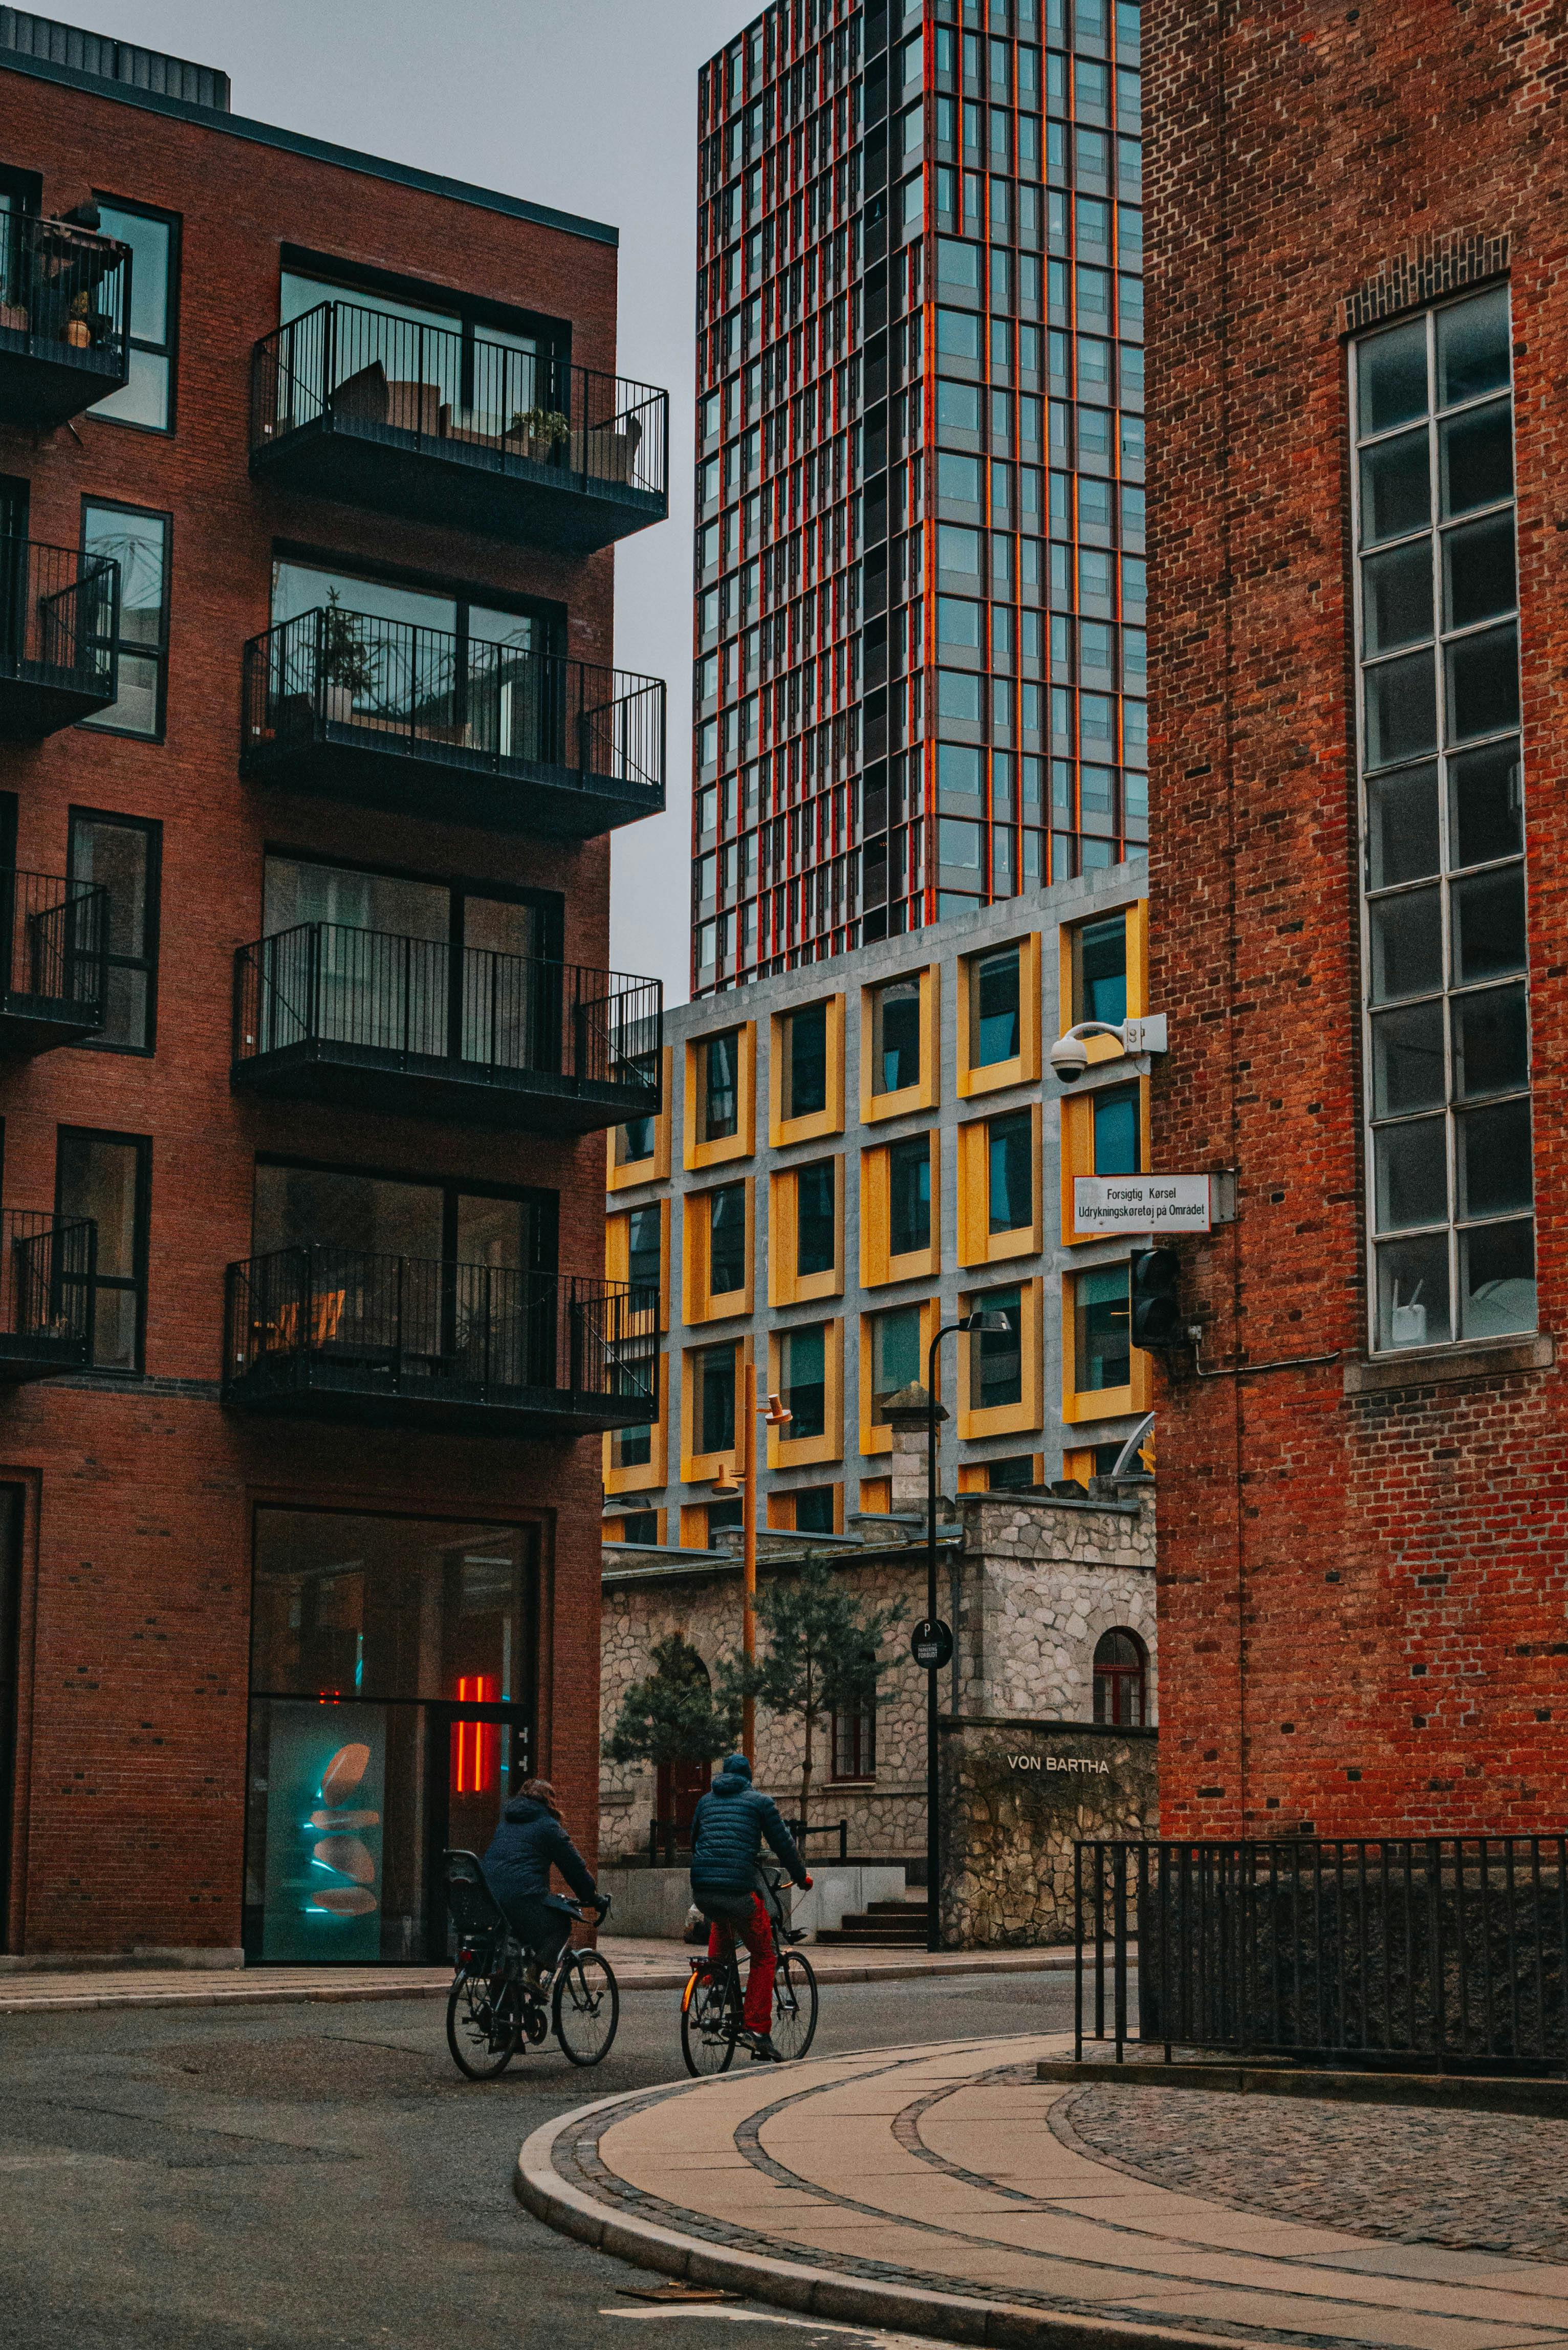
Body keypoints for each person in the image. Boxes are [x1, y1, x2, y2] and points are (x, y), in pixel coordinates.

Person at [689, 1752, 811, 2061]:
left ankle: (717, 1983)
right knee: (765, 1954)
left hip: (703, 1889)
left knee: (721, 1920)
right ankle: (757, 2028)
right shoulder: (760, 1802)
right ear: (749, 1778)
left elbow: (695, 1840)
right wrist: (801, 1877)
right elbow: (784, 1844)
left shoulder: (705, 1801)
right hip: (738, 1889)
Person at [483, 1777, 607, 1981]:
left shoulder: (505, 1822)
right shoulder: (547, 1825)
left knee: (510, 1946)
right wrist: (592, 1897)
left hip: (489, 1898)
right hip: (522, 1899)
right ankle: (534, 1975)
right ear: (549, 1802)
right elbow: (574, 1867)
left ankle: (501, 2009)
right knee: (560, 1925)